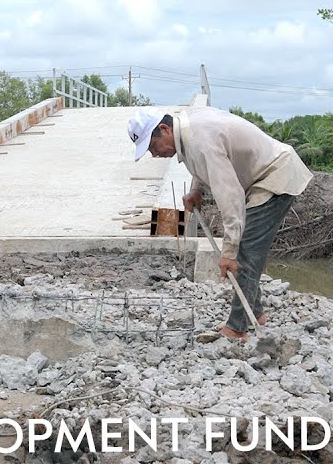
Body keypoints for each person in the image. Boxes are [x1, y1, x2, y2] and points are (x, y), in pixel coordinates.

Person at [128, 105, 313, 340]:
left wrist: (229, 251)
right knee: (249, 251)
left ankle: (237, 327)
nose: (154, 155)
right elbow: (203, 162)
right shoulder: (186, 129)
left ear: (164, 129)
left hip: (275, 176)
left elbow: (231, 196)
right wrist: (196, 189)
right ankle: (255, 312)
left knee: (245, 252)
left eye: (152, 147)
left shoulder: (199, 140)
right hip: (261, 176)